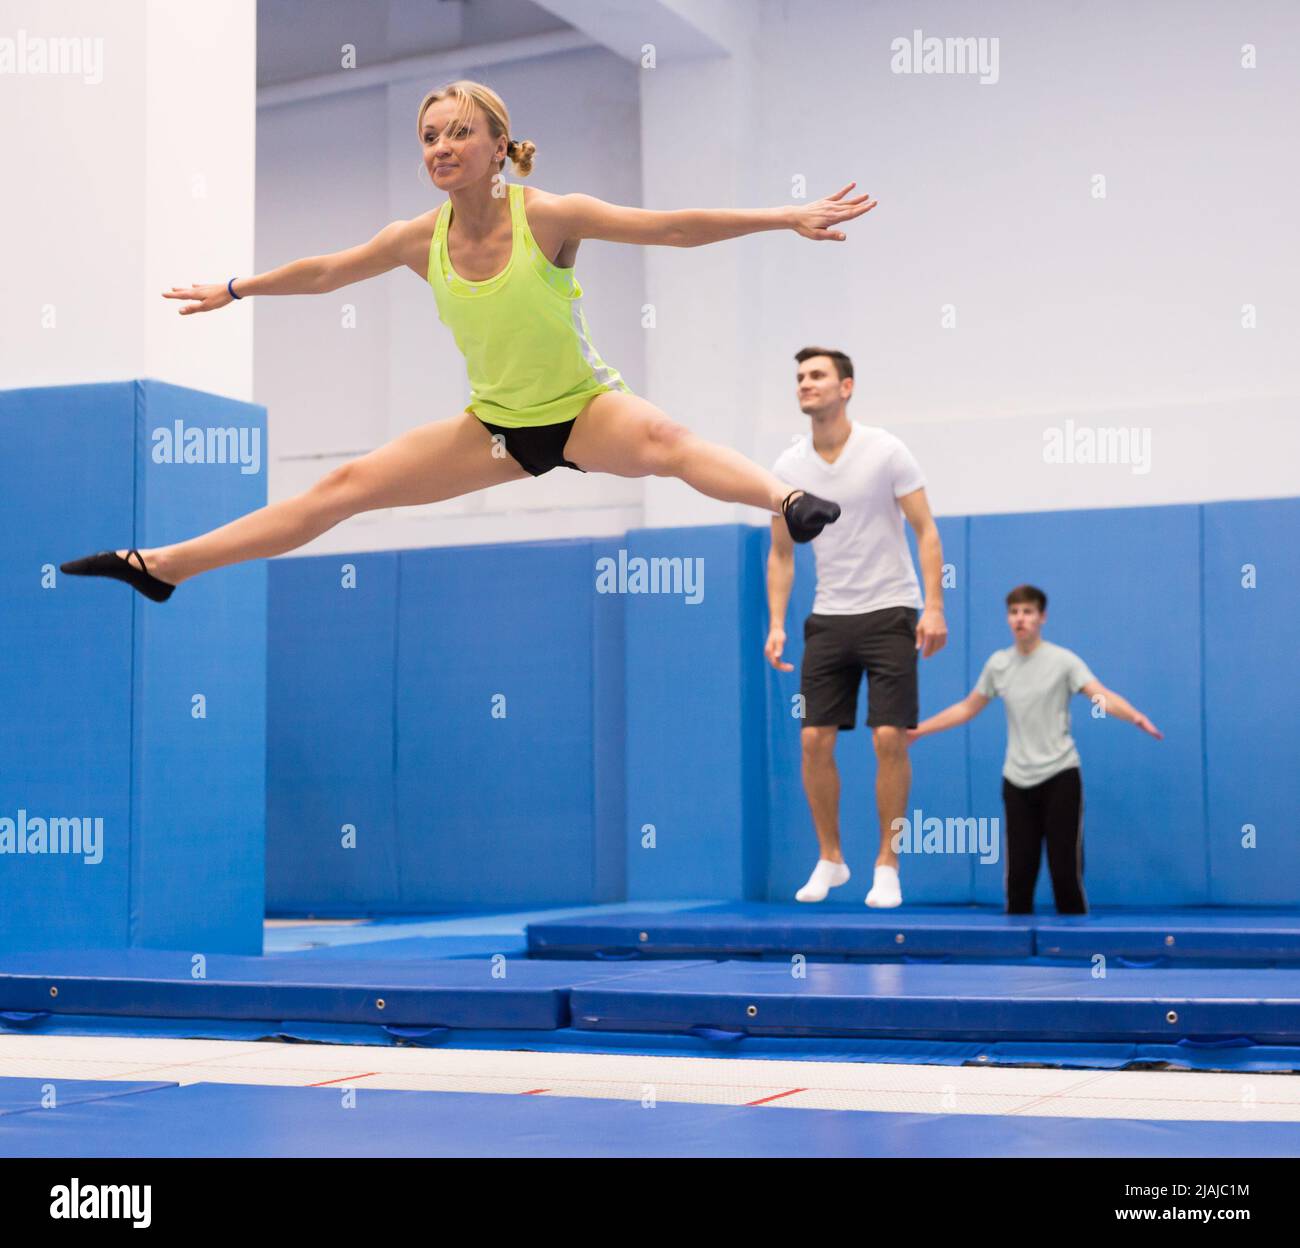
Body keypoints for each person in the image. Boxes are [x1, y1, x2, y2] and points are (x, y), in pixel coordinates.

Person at [60, 80, 872, 601]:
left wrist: (784, 214)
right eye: (428, 138)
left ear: (496, 145)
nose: (440, 149)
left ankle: (787, 499)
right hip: (495, 428)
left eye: (456, 133)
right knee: (343, 486)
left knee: (664, 438)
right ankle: (164, 566)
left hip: (585, 410)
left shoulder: (546, 215)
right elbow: (326, 271)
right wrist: (237, 288)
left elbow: (672, 227)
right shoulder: (419, 238)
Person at [766, 348, 947, 908]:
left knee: (889, 736)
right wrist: (777, 623)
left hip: (891, 610)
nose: (806, 384)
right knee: (814, 738)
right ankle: (831, 859)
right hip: (829, 616)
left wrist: (934, 606)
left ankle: (887, 864)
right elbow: (781, 555)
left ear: (846, 387)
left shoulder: (885, 451)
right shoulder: (787, 467)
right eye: (799, 377)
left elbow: (926, 531)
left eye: (817, 375)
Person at [908, 584, 1163, 914]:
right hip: (1016, 780)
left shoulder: (1063, 661)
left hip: (1061, 775)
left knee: (1064, 871)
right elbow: (968, 708)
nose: (1020, 619)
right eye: (1014, 612)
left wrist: (1134, 716)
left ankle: (1073, 951)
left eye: (1027, 612)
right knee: (1019, 875)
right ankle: (1018, 955)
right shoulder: (999, 665)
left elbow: (1098, 694)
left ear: (1042, 617)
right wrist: (920, 731)